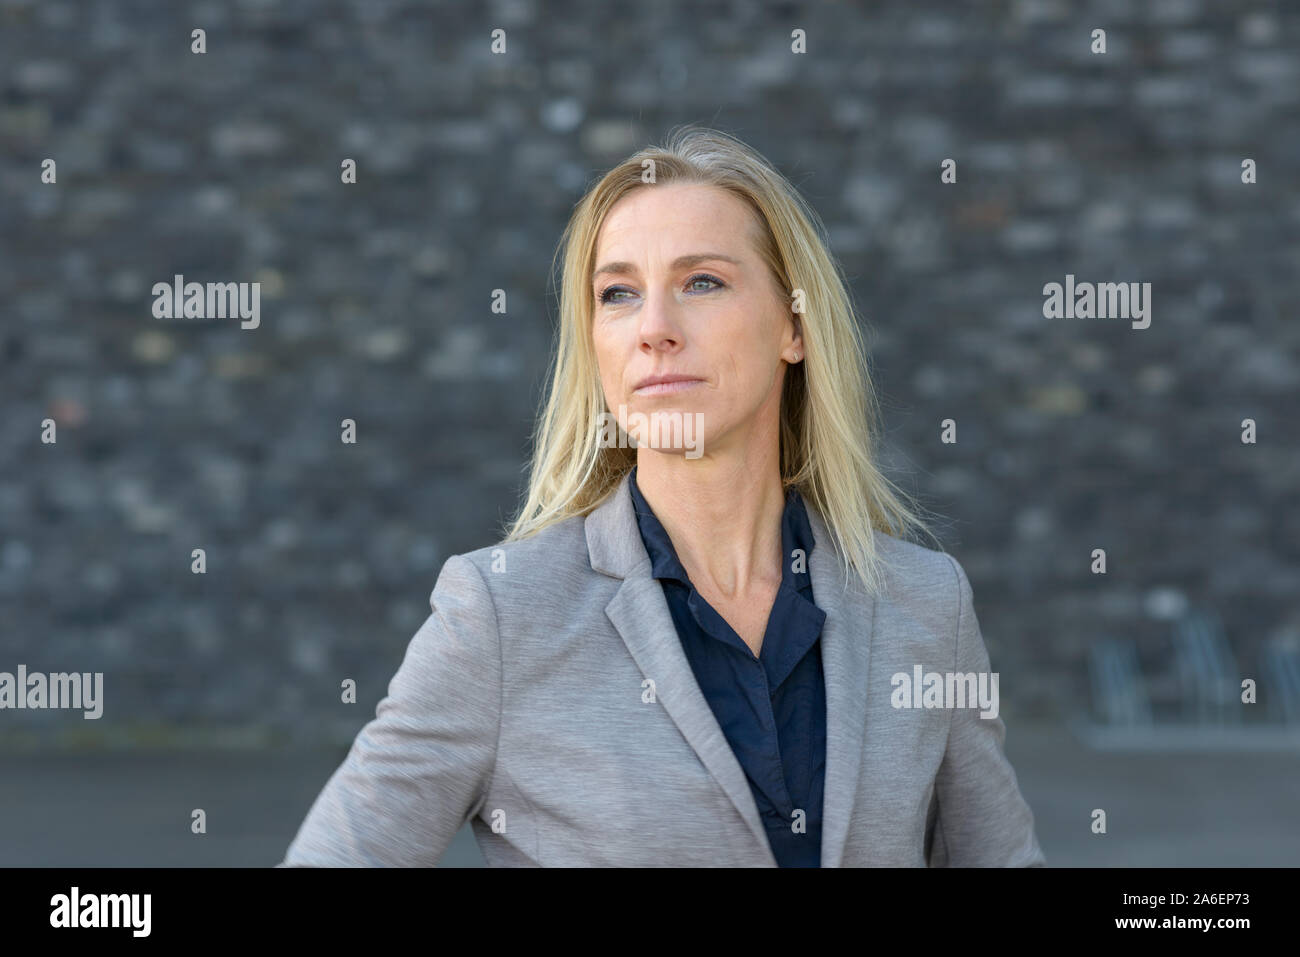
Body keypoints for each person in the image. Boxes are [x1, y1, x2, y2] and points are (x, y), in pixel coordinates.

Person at [279, 125, 1045, 867]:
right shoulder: (501, 616)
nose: (654, 328)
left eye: (701, 282)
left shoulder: (925, 604)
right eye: (618, 293)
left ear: (794, 326)